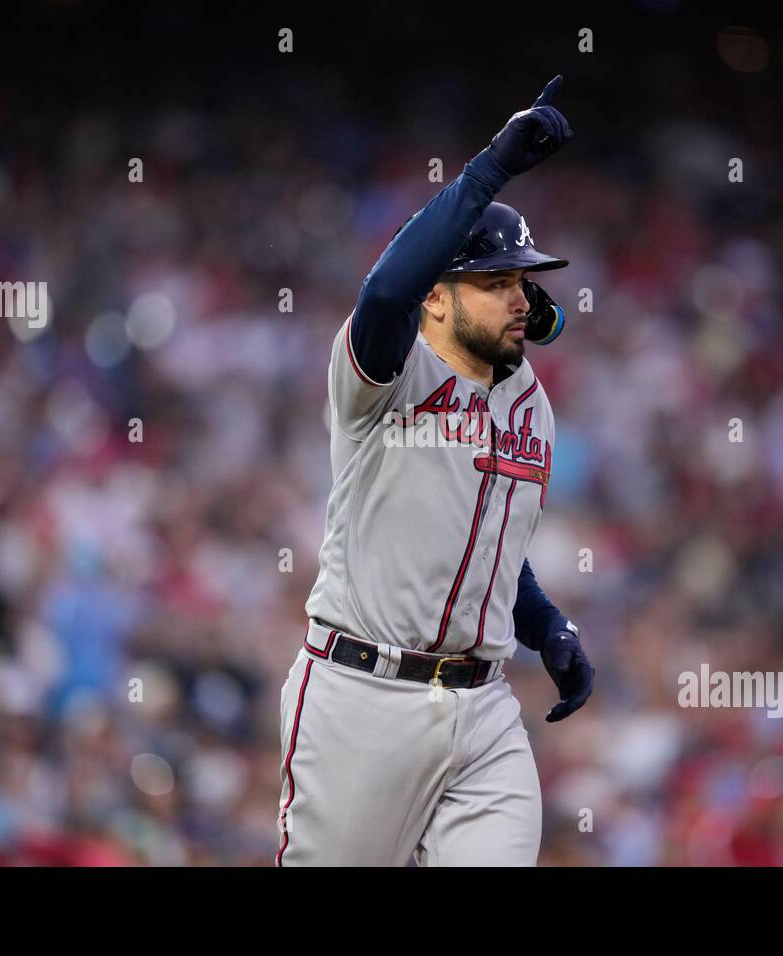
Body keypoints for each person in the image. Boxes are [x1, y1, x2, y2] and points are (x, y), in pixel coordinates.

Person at [277, 76, 594, 866]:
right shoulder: (386, 373)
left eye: (522, 280)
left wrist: (543, 624)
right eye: (494, 283)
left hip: (484, 711)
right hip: (362, 700)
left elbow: (486, 540)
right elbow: (385, 290)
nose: (519, 298)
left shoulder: (530, 404)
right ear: (438, 301)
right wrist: (489, 169)